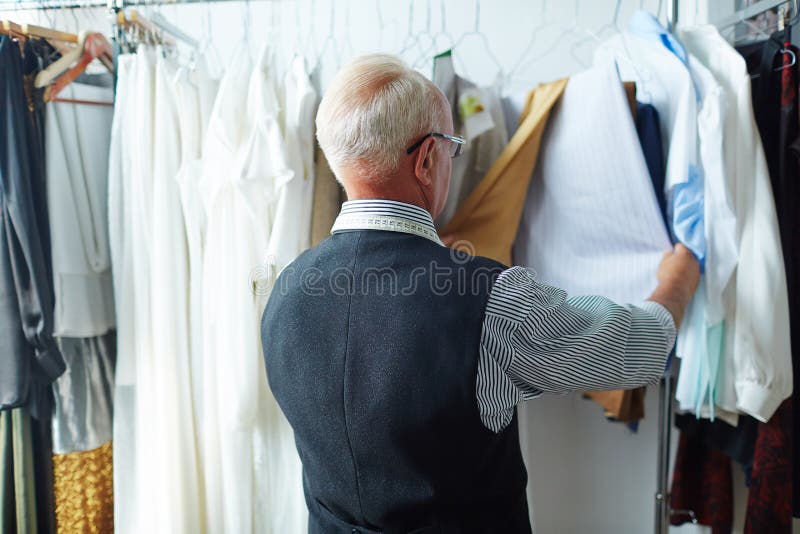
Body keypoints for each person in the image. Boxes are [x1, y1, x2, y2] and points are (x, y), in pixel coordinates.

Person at [261, 54, 699, 534]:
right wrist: (677, 280)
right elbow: (639, 348)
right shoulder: (491, 301)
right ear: (427, 159)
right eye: (452, 147)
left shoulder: (285, 289)